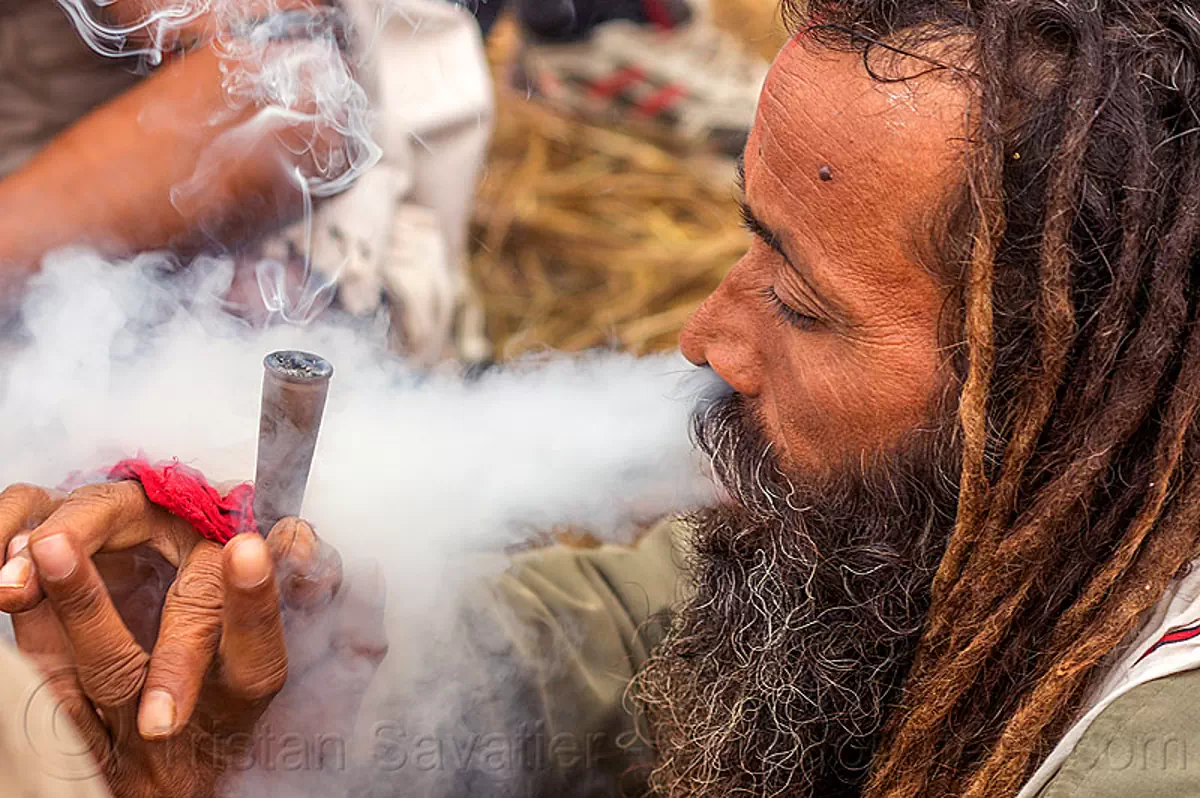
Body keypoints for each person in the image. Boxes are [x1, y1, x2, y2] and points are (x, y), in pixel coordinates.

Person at [8, 0, 1200, 797]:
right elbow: (628, 628)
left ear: (1059, 393)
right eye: (755, 248)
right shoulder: (948, 537)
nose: (708, 338)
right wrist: (300, 683)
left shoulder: (1151, 757)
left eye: (800, 303)